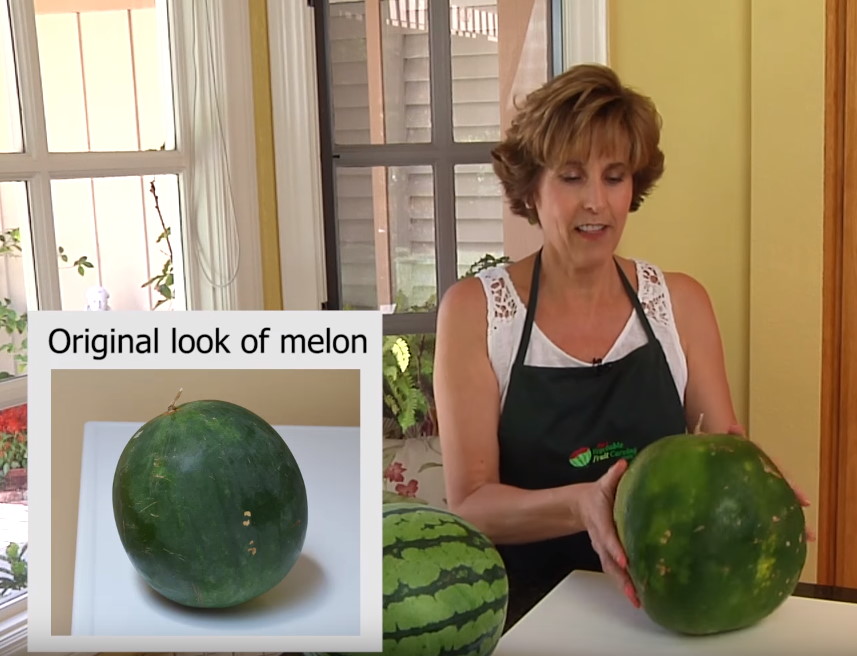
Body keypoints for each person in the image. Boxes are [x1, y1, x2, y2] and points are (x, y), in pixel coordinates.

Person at [432, 63, 743, 626]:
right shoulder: (477, 312)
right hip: (524, 610)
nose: (596, 201)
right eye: (572, 177)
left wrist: (754, 483)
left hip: (660, 606)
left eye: (614, 176)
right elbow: (472, 503)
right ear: (531, 189)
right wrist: (581, 503)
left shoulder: (681, 304)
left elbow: (722, 458)